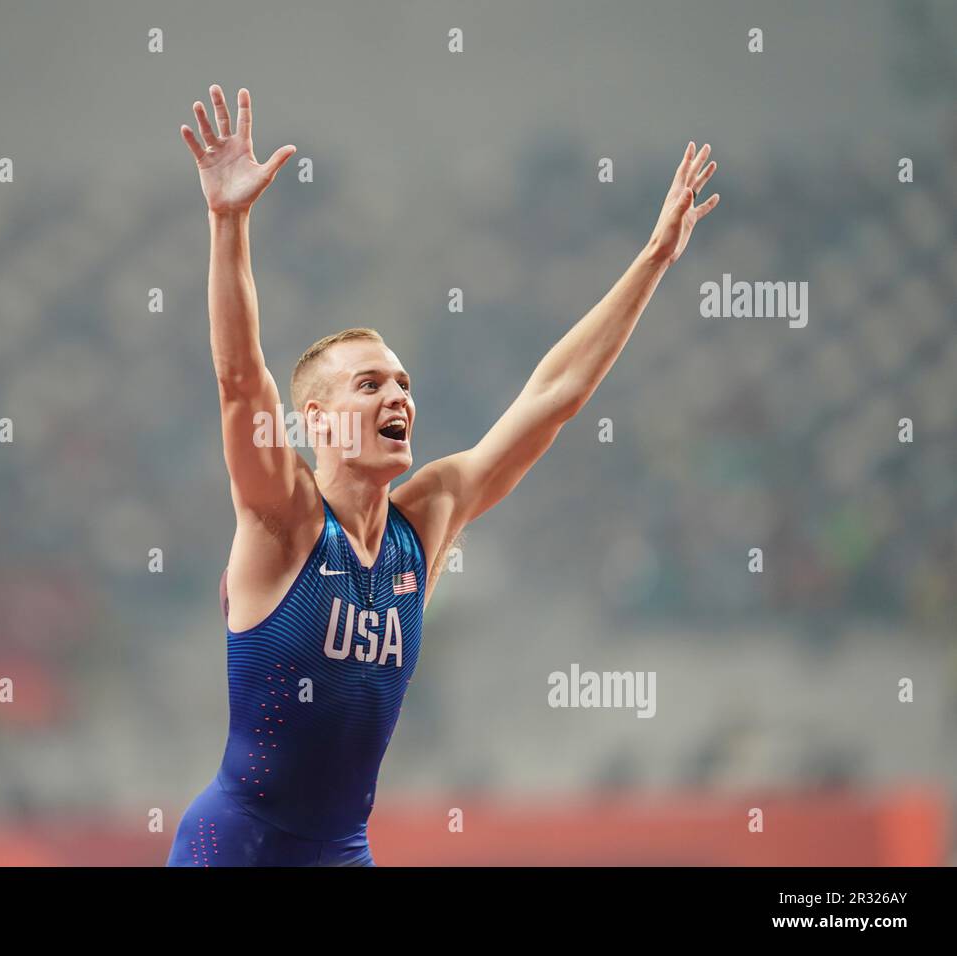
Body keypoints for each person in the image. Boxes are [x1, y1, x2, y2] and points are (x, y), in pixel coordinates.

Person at [167, 84, 720, 866]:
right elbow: (237, 379)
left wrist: (654, 259)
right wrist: (228, 223)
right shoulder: (283, 519)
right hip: (237, 847)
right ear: (316, 421)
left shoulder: (424, 521)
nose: (397, 395)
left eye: (403, 383)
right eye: (369, 385)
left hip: (342, 851)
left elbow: (553, 398)